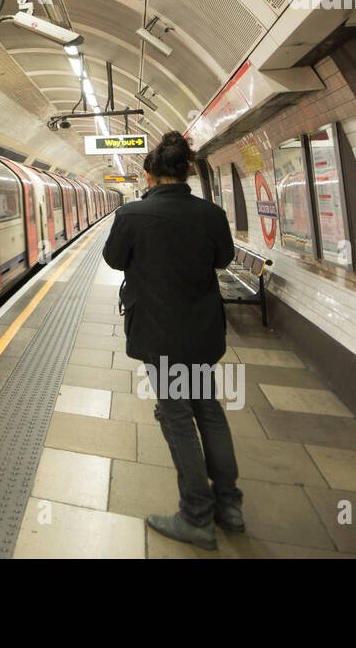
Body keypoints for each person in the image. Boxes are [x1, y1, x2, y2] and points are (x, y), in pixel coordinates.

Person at [102, 131, 241, 551]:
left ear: (148, 175)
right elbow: (224, 259)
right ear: (187, 172)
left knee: (177, 416)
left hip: (160, 334)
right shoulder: (211, 214)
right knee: (210, 412)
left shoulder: (132, 216)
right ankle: (229, 508)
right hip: (201, 331)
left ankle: (196, 517)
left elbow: (113, 259)